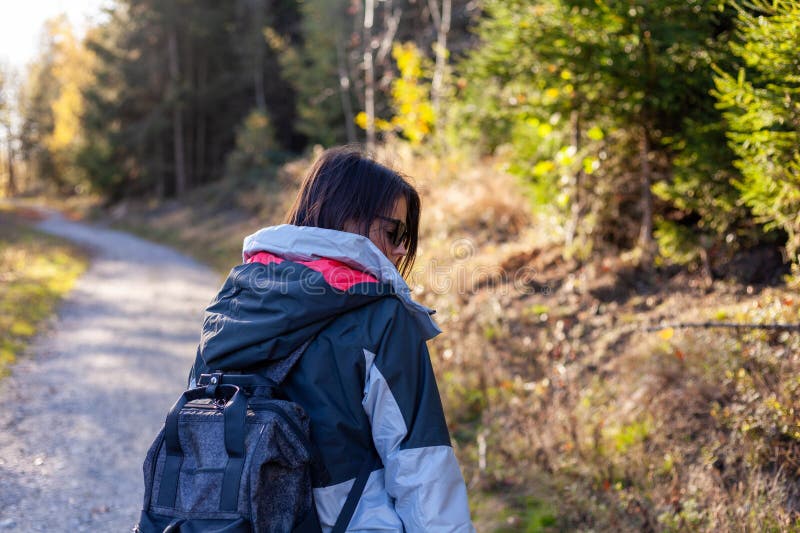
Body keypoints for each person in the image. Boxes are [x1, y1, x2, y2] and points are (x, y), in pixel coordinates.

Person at [188, 146, 475, 532]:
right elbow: (420, 463)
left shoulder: (236, 299)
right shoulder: (383, 318)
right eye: (395, 231)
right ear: (348, 218)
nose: (403, 247)